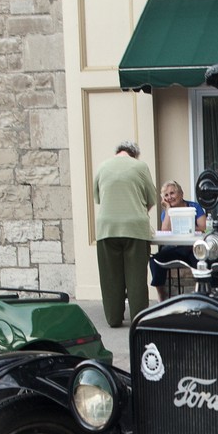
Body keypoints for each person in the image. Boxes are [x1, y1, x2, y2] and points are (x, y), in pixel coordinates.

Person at [93, 140, 157, 327]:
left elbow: (98, 198)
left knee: (110, 277)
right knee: (136, 277)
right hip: (135, 228)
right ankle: (138, 319)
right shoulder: (140, 166)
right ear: (134, 154)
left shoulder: (102, 166)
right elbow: (151, 198)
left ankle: (113, 318)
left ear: (118, 152)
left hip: (107, 227)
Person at [148, 180, 208, 302]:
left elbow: (203, 227)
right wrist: (169, 209)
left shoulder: (194, 207)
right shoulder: (167, 212)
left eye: (172, 193)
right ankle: (162, 295)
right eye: (166, 195)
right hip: (174, 249)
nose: (169, 197)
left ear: (181, 194)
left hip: (192, 248)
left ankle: (203, 295)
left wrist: (184, 229)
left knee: (202, 262)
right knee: (155, 260)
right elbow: (165, 230)